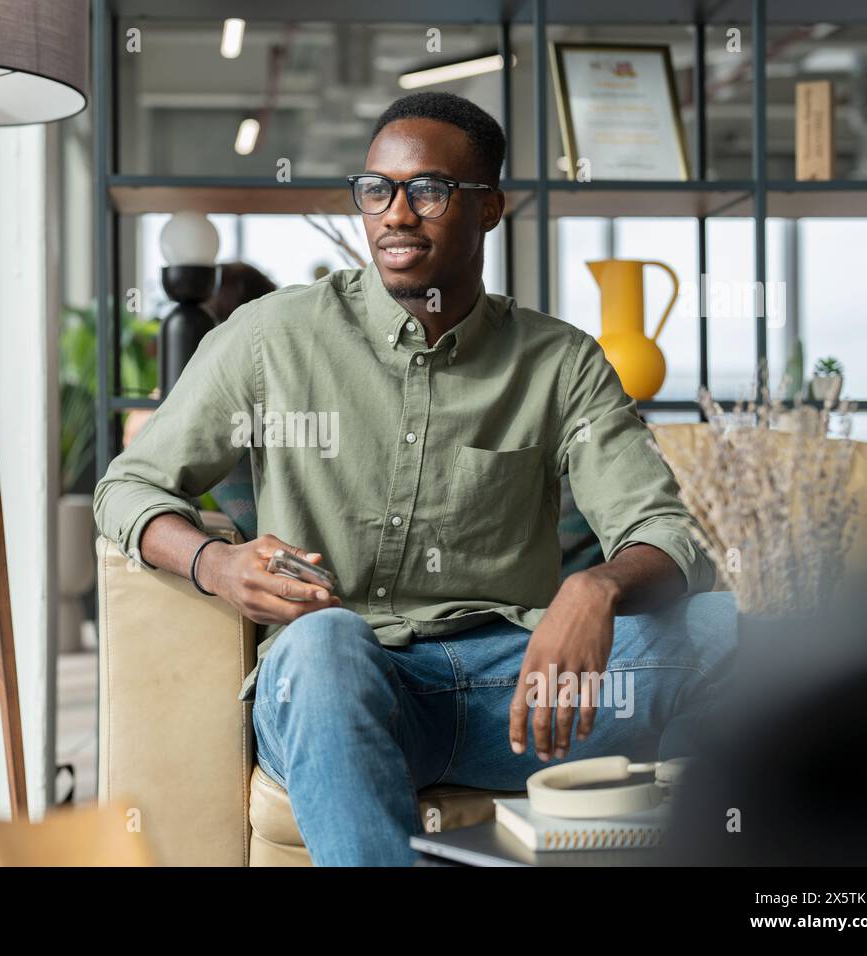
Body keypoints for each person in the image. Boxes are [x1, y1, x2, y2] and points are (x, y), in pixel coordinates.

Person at [94, 91, 736, 866]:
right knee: (325, 642)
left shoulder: (559, 362)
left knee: (729, 634)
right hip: (340, 688)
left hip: (519, 691)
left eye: (429, 190)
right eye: (377, 190)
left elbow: (667, 532)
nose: (396, 214)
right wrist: (216, 563)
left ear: (489, 206)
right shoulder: (272, 337)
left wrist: (594, 589)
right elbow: (128, 487)